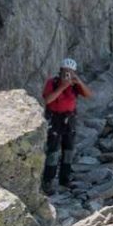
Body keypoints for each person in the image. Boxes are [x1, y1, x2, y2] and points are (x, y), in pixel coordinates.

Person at [41, 57, 92, 192]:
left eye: (70, 72)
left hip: (69, 119)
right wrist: (63, 86)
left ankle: (65, 179)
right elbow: (47, 100)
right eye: (65, 72)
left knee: (68, 150)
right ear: (60, 71)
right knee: (53, 150)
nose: (67, 74)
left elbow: (88, 94)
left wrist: (78, 82)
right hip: (54, 118)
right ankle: (48, 181)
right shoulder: (53, 83)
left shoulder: (75, 85)